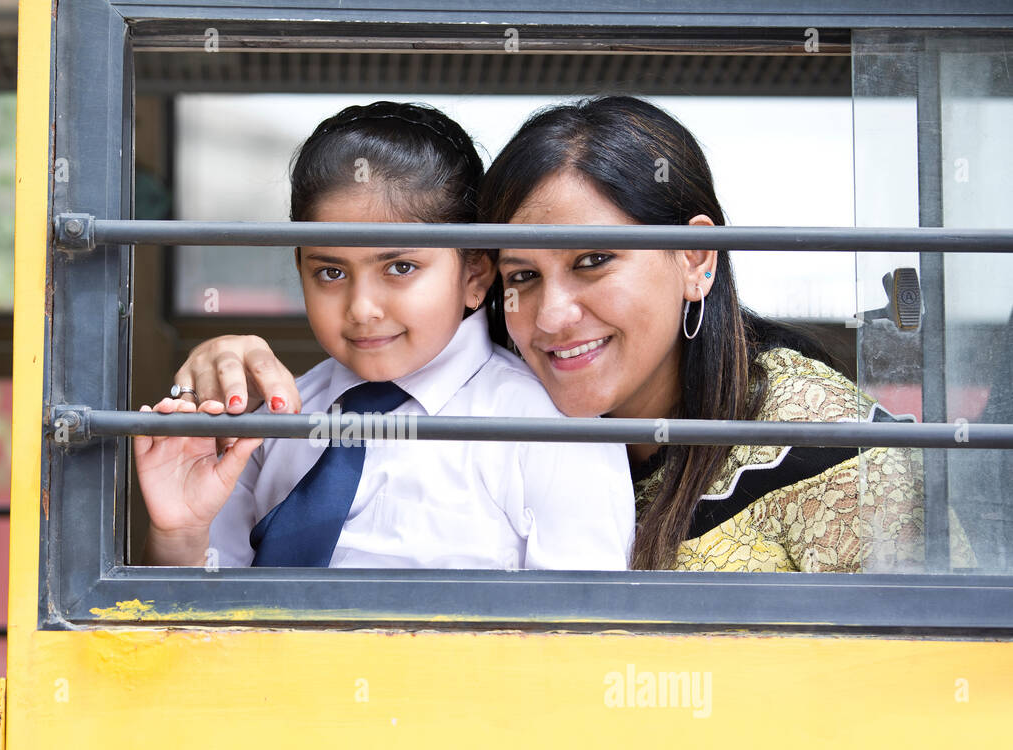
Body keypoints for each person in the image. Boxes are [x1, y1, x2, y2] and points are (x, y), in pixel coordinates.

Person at [169, 95, 943, 572]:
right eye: (523, 276)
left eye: (595, 261)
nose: (551, 316)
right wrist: (218, 359)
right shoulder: (352, 409)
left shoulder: (837, 461)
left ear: (696, 258)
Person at [133, 101, 634, 570]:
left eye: (400, 267)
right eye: (330, 272)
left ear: (476, 274)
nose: (362, 309)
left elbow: (583, 640)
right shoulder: (270, 426)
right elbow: (199, 631)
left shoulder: (548, 432)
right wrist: (180, 535)